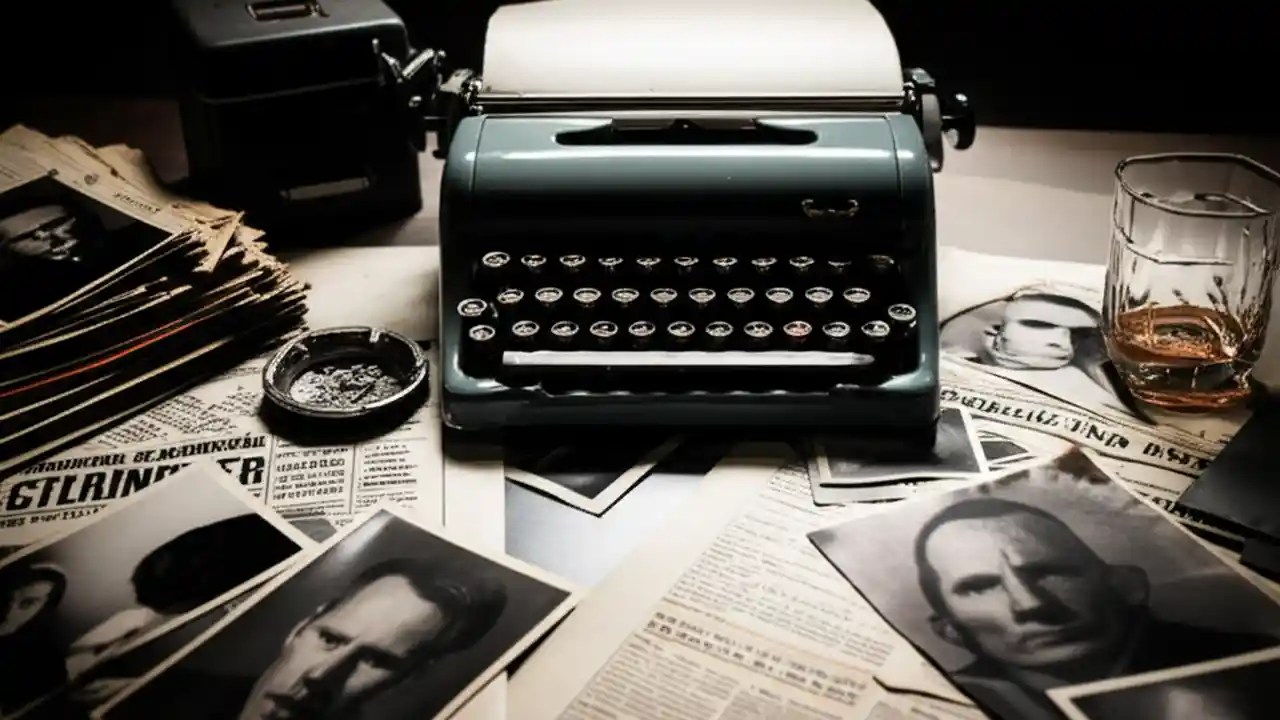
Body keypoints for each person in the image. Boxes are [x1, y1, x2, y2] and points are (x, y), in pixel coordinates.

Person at [913, 497, 1280, 720]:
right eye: (980, 587)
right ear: (949, 629)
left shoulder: (1260, 667)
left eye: (1049, 572)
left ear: (1127, 585)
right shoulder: (937, 698)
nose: (1031, 604)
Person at [0, 562, 69, 714]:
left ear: (43, 607)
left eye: (28, 603)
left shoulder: (44, 654)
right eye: (2, 599)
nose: (8, 613)